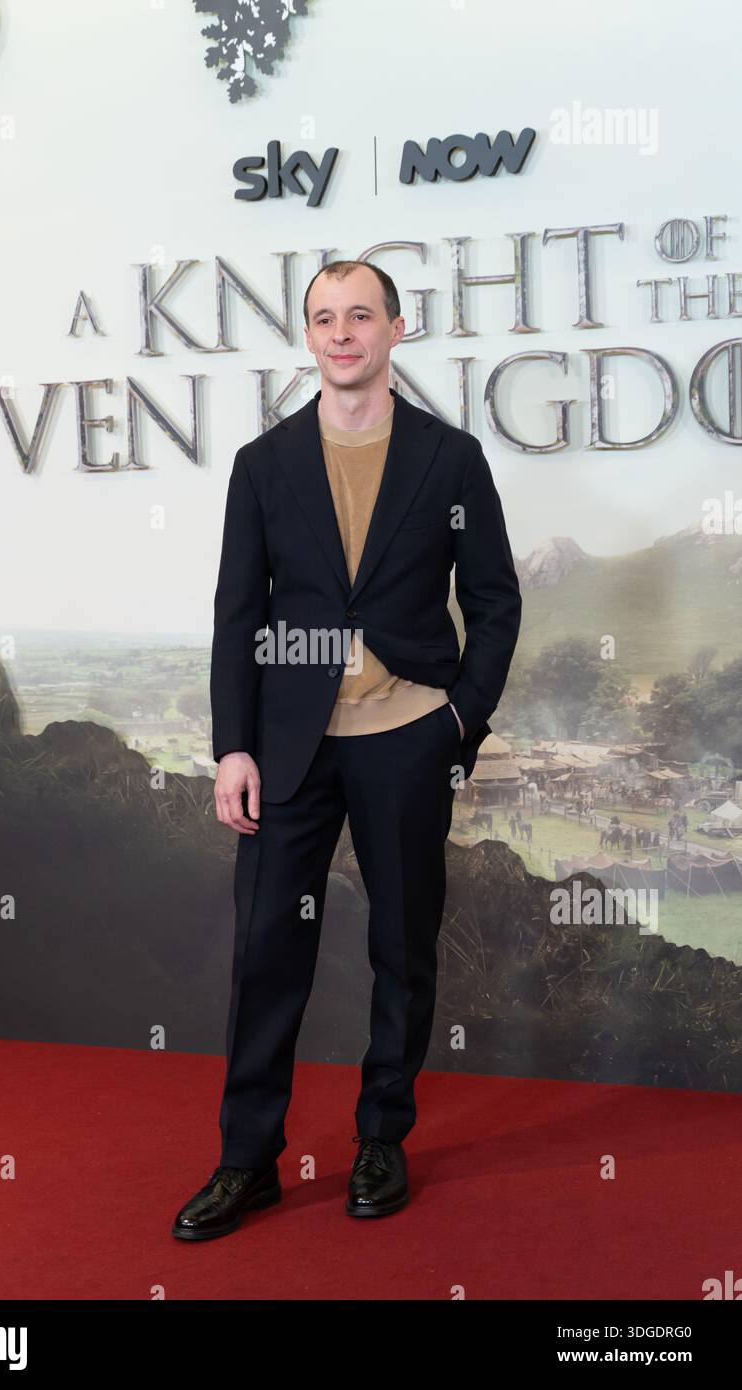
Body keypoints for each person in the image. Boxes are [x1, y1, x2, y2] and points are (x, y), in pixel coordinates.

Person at [171, 260, 521, 1240]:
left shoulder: (448, 460)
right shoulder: (263, 463)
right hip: (289, 746)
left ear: (394, 330)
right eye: (322, 317)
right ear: (309, 336)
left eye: (357, 315)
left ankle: (381, 1138)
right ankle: (247, 1162)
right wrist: (232, 746)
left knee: (400, 950)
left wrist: (459, 719)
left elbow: (493, 601)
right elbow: (238, 614)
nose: (339, 332)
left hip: (408, 737)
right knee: (263, 952)